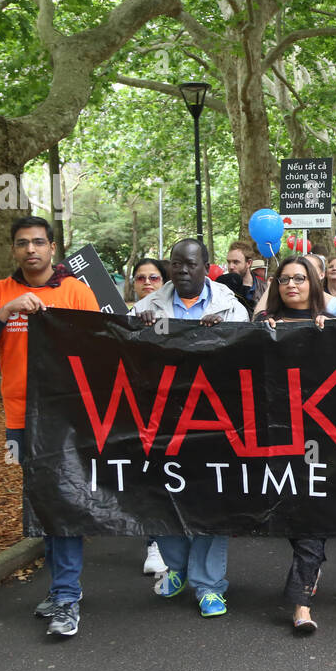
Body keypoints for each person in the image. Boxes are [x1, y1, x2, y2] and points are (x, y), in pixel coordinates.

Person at [0, 216, 99, 636]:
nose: (31, 250)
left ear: (53, 248)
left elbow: (101, 350)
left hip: (68, 418)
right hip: (20, 422)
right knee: (43, 503)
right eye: (22, 244)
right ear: (14, 250)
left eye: (39, 242)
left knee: (64, 503)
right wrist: (4, 313)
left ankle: (66, 596)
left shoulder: (76, 292)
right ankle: (61, 591)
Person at [133, 238, 249, 619]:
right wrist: (139, 331)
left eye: (190, 265)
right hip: (163, 422)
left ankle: (209, 584)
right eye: (176, 265)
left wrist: (222, 336)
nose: (181, 271)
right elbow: (126, 361)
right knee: (164, 498)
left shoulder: (231, 309)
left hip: (214, 423)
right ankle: (178, 569)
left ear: (207, 266)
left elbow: (245, 367)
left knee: (211, 502)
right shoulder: (147, 306)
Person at [256, 255, 336, 634]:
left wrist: (334, 337)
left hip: (322, 441)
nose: (292, 285)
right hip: (274, 439)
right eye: (285, 279)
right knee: (292, 515)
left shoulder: (334, 325)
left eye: (300, 279)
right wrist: (259, 331)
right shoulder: (261, 326)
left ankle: (301, 605)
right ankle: (306, 582)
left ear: (313, 284)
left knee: (313, 520)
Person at [125, 257, 173, 576]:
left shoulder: (175, 312)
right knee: (151, 477)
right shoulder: (127, 317)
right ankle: (154, 545)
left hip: (182, 408)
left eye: (153, 278)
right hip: (144, 407)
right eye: (140, 278)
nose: (146, 283)